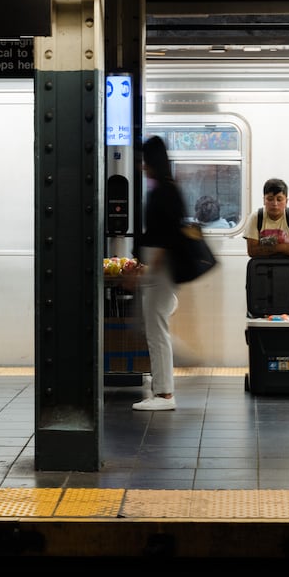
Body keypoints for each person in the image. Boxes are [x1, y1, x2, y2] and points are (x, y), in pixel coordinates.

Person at [128, 136, 184, 412]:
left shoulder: (164, 192)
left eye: (143, 161)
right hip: (158, 266)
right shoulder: (165, 189)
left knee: (156, 331)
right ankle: (162, 389)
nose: (141, 166)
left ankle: (164, 394)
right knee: (154, 327)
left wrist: (149, 267)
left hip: (160, 267)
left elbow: (166, 235)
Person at [243, 177, 289, 258]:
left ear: (286, 201)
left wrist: (265, 250)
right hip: (263, 268)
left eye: (279, 199)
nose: (274, 203)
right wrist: (281, 248)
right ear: (264, 200)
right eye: (270, 199)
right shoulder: (255, 217)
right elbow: (252, 251)